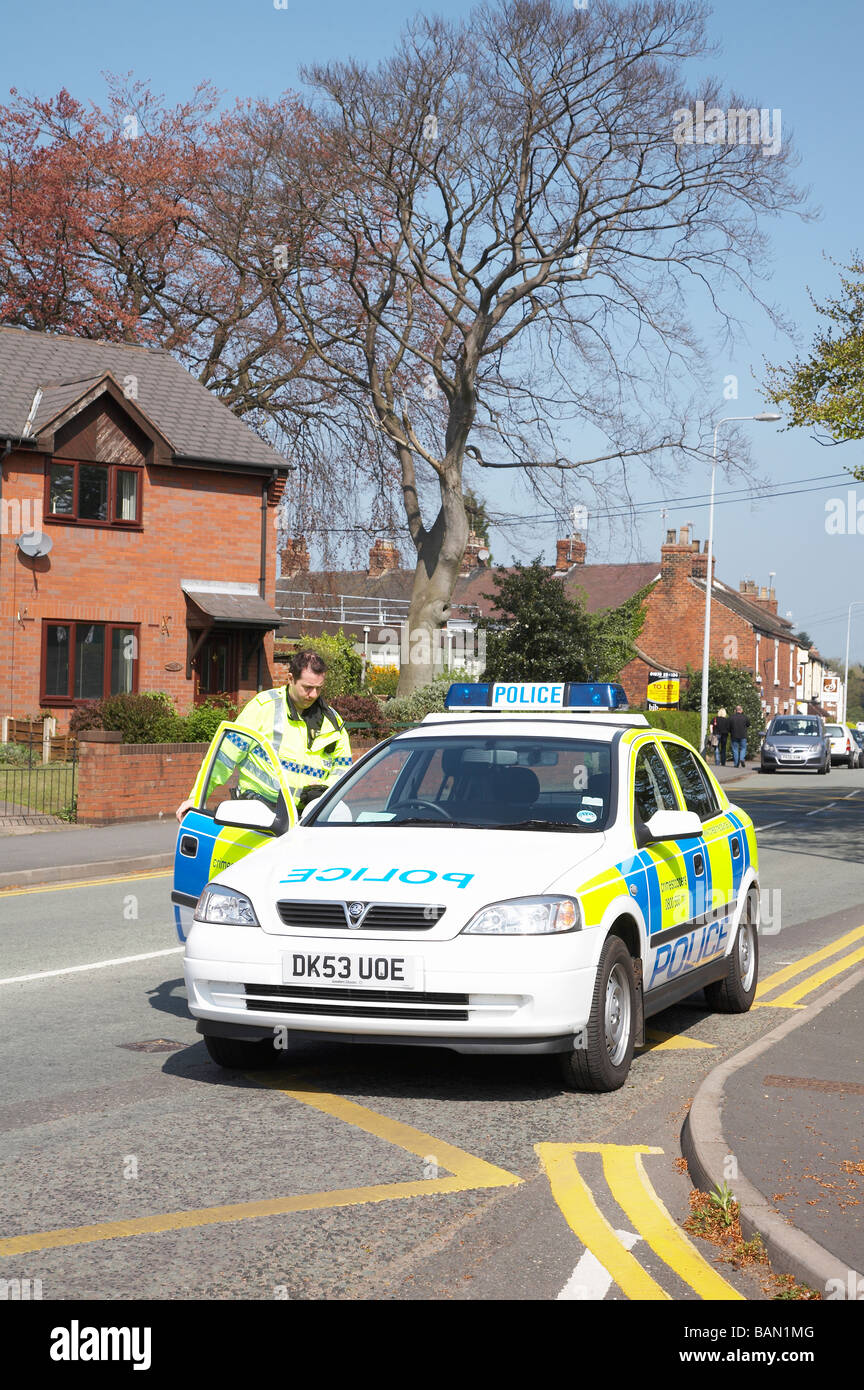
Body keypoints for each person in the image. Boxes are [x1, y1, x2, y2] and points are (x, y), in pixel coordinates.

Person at [175, 650, 352, 821]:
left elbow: (343, 768)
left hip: (307, 817)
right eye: (307, 688)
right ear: (290, 679)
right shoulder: (263, 707)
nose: (313, 694)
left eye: (318, 689)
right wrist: (197, 797)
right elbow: (224, 757)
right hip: (259, 813)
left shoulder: (333, 722)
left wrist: (325, 792)